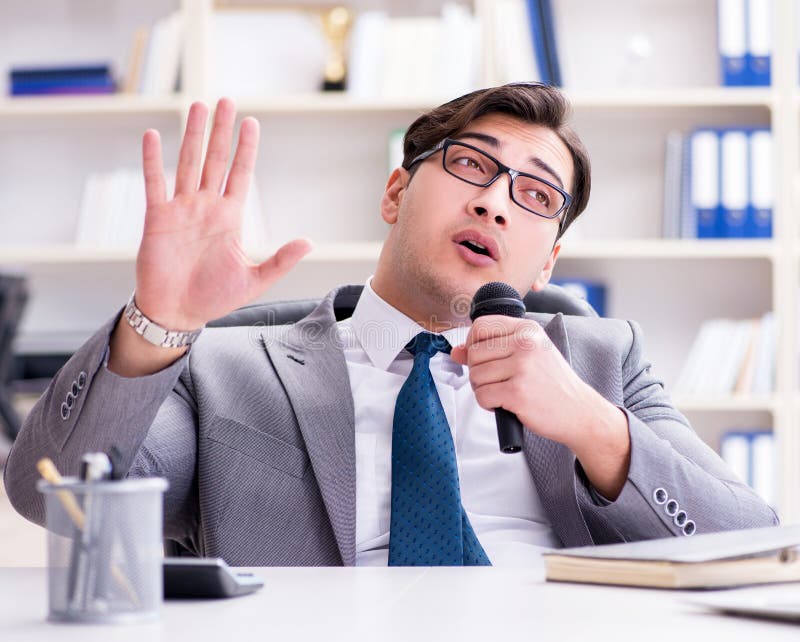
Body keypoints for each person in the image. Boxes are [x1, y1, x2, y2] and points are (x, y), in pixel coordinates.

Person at [5, 83, 777, 566]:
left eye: (536, 196)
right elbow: (60, 500)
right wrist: (159, 322)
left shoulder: (605, 362)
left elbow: (752, 543)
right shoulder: (225, 367)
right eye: (473, 165)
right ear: (395, 193)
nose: (494, 202)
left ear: (547, 266)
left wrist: (593, 428)